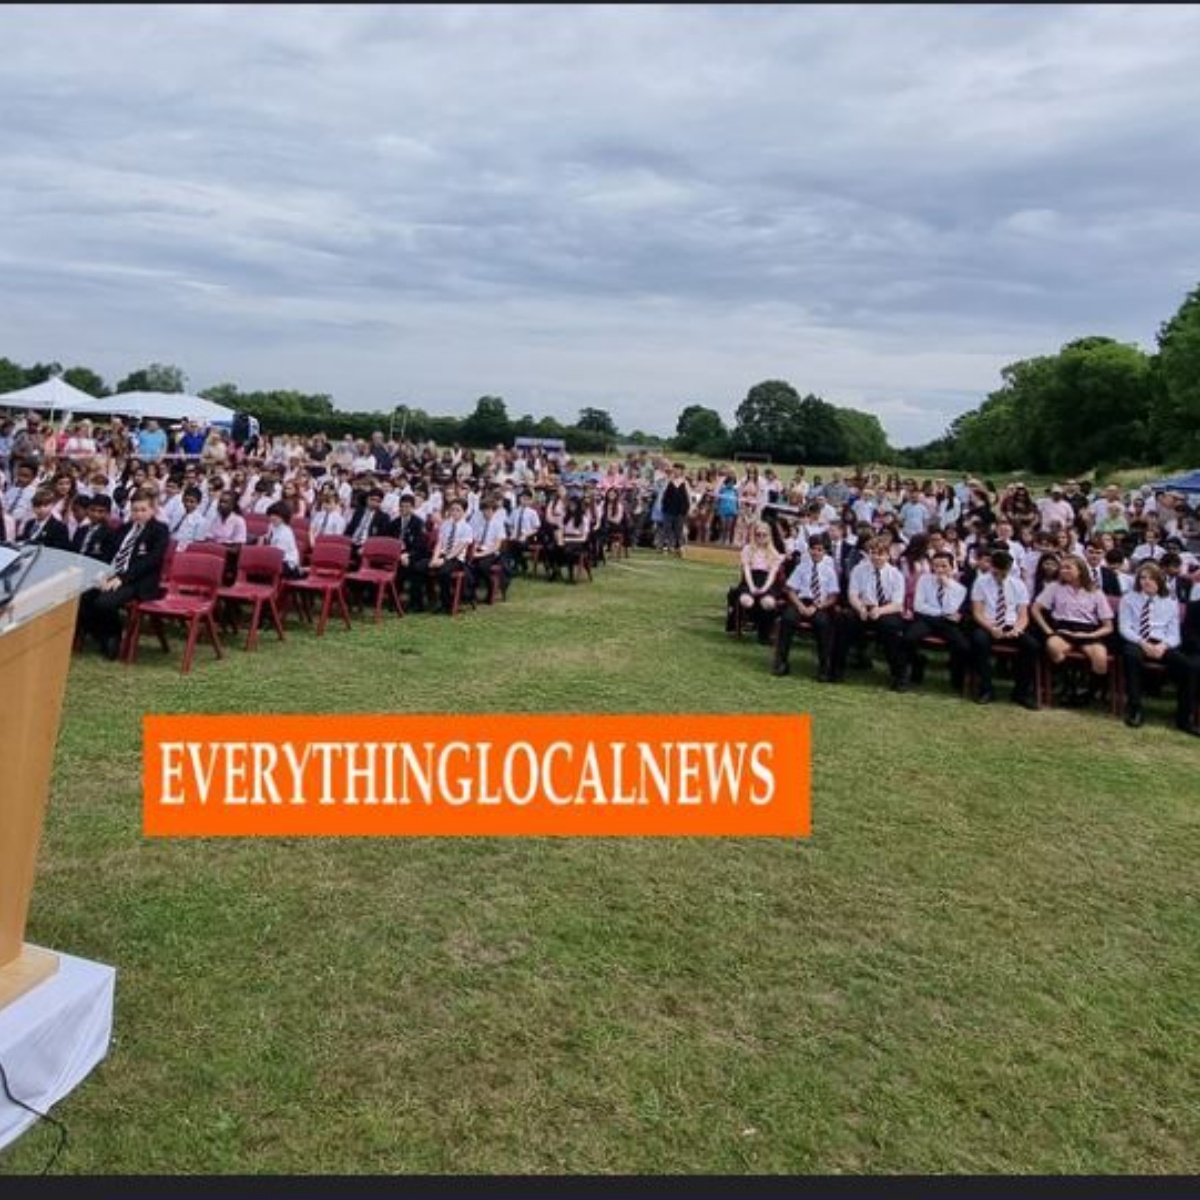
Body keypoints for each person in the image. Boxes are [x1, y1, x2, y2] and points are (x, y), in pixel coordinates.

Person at [79, 489, 169, 659]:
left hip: (137, 580)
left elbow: (151, 561)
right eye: (135, 510)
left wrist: (121, 578)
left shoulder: (160, 530)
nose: (139, 514)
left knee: (104, 602)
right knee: (83, 597)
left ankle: (113, 635)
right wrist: (103, 574)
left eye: (143, 510)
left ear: (153, 510)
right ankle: (102, 635)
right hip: (112, 575)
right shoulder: (124, 528)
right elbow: (110, 554)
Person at [1118, 563, 1200, 736]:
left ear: (1160, 580)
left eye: (1151, 578)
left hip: (1161, 643)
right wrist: (1143, 643)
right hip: (1137, 640)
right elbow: (1124, 628)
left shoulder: (1170, 602)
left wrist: (1162, 646)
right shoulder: (1128, 598)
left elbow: (1175, 635)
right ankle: (1135, 710)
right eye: (1142, 578)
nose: (1146, 582)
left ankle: (1184, 718)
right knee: (1131, 656)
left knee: (1190, 667)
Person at [1031, 553, 1114, 706]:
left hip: (1088, 630)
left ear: (1080, 570)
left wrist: (1090, 634)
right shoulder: (1054, 587)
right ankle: (1070, 687)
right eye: (1062, 568)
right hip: (1063, 628)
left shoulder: (1095, 591)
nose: (1063, 571)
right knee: (1053, 646)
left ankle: (1088, 694)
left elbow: (1108, 627)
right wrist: (1048, 630)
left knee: (1100, 658)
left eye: (1068, 568)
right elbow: (1035, 608)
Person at [969, 547, 1040, 709]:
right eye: (996, 572)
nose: (999, 577)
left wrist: (1018, 629)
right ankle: (986, 689)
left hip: (1011, 624)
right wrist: (991, 628)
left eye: (1003, 573)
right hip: (989, 623)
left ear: (1009, 569)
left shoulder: (1019, 584)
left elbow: (1023, 615)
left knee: (1032, 646)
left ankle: (1021, 692)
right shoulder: (981, 582)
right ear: (991, 567)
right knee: (979, 641)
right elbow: (978, 612)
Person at [841, 536, 909, 689]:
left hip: (886, 609)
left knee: (891, 629)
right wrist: (860, 608)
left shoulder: (896, 575)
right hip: (864, 607)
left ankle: (899, 676)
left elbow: (898, 604)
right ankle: (835, 669)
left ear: (887, 555)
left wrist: (880, 611)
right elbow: (852, 594)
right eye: (873, 553)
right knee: (845, 621)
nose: (876, 557)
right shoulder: (859, 569)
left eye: (880, 553)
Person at [772, 536, 841, 680]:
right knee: (788, 619)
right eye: (813, 549)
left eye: (819, 550)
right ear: (809, 550)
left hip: (820, 604)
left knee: (823, 624)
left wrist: (817, 606)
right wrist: (800, 606)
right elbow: (791, 590)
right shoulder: (802, 567)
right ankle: (782, 662)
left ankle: (824, 666)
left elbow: (833, 596)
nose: (816, 552)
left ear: (825, 551)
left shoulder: (829, 570)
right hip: (801, 601)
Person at [904, 550, 970, 692]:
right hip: (926, 620)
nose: (939, 570)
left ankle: (956, 677)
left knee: (962, 646)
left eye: (944, 566)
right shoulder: (924, 579)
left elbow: (950, 610)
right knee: (909, 638)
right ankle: (918, 664)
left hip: (946, 624)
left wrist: (947, 586)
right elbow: (918, 606)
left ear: (952, 567)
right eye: (936, 566)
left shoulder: (960, 589)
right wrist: (940, 614)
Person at [728, 521, 782, 644]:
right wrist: (751, 586)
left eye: (764, 535)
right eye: (758, 534)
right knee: (746, 601)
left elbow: (772, 574)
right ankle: (750, 624)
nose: (761, 537)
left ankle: (764, 633)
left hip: (767, 581)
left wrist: (764, 588)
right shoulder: (747, 549)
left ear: (769, 536)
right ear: (754, 535)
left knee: (768, 603)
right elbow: (746, 570)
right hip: (750, 580)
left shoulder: (774, 553)